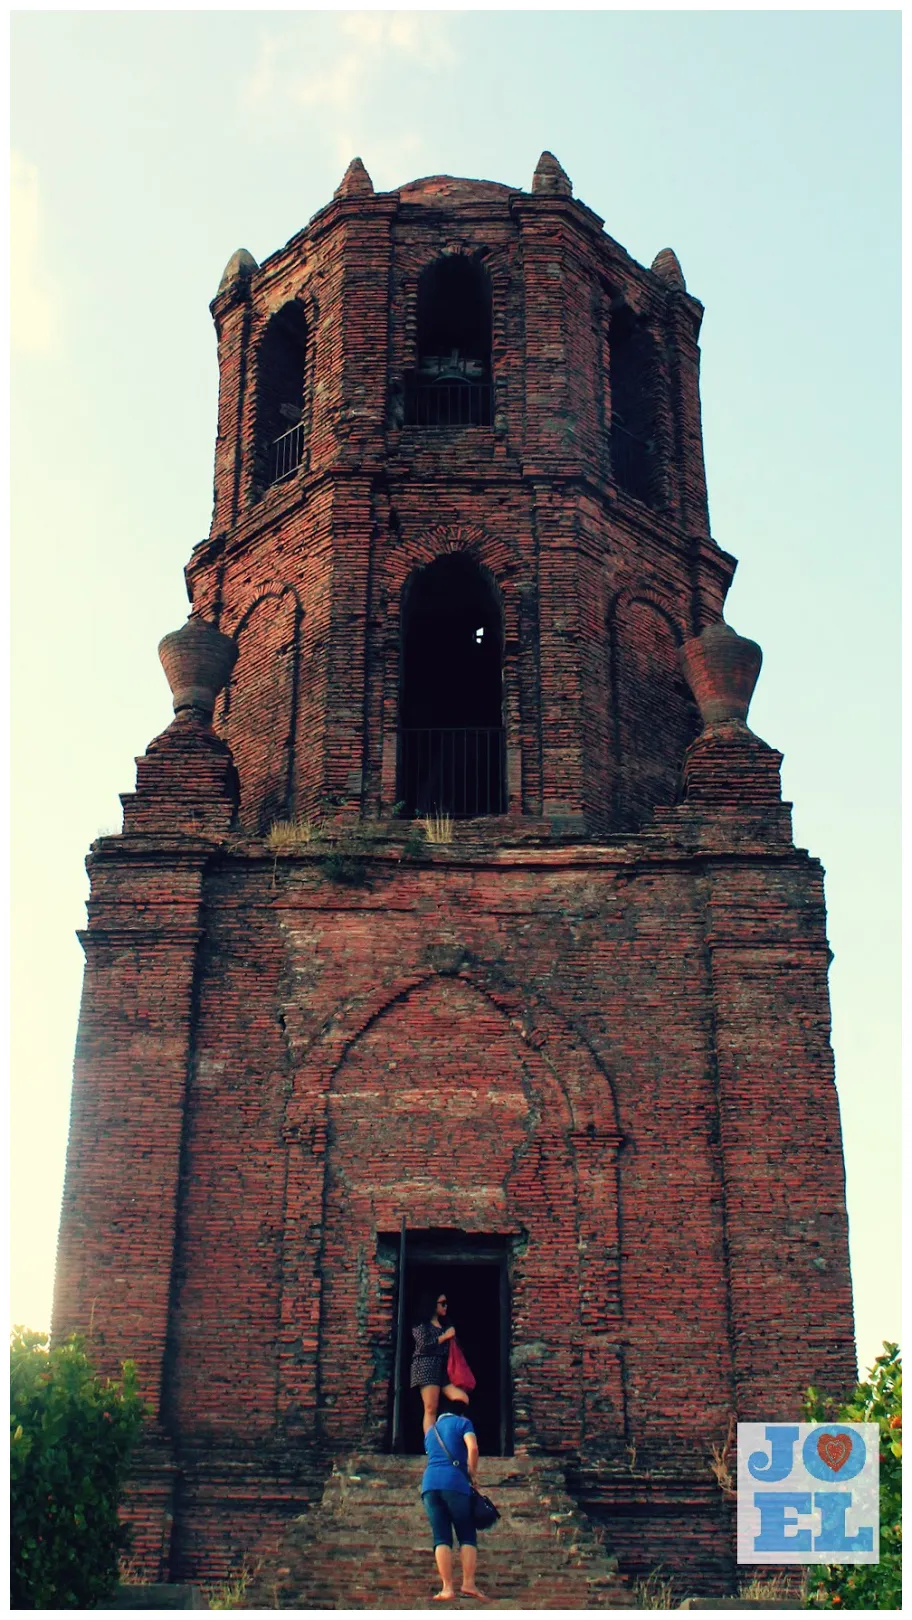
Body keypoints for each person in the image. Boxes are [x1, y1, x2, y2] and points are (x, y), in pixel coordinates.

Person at [420, 1392, 487, 1602]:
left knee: (441, 1537)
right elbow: (473, 1448)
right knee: (466, 1533)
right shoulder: (463, 1423)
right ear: (461, 1412)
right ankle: (468, 1584)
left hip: (429, 1485)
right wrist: (472, 1473)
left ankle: (447, 1588)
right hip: (455, 1483)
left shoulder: (431, 1431)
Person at [410, 1290, 470, 1434]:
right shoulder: (421, 1324)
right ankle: (431, 1444)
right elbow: (424, 1345)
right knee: (430, 1408)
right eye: (442, 1303)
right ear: (433, 1305)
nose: (445, 1306)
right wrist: (445, 1336)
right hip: (427, 1366)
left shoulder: (445, 1324)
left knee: (462, 1398)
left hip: (443, 1368)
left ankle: (450, 1433)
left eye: (446, 1303)